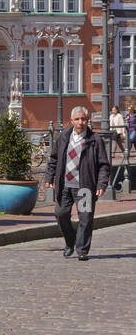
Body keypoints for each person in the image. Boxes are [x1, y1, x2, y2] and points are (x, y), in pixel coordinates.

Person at [46, 106, 110, 262]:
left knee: (85, 218)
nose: (80, 122)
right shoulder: (63, 137)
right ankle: (70, 241)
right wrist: (49, 177)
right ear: (71, 121)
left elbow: (103, 165)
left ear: (87, 120)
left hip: (85, 186)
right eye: (77, 119)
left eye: (83, 119)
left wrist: (101, 184)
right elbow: (53, 159)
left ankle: (82, 250)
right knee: (61, 214)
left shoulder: (95, 140)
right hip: (65, 186)